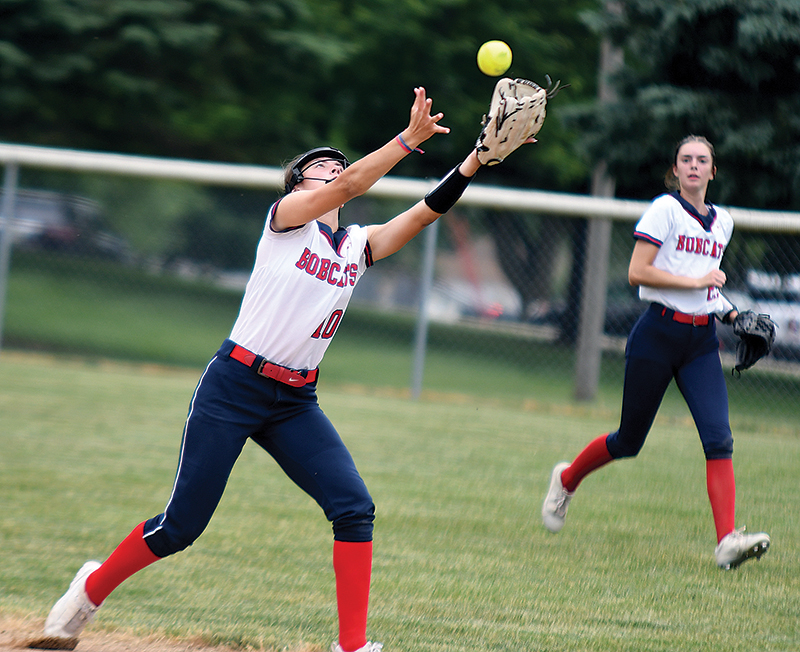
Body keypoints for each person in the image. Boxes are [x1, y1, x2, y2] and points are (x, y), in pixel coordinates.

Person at [40, 87, 529, 652]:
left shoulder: (355, 246)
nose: (335, 174)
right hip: (234, 387)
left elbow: (422, 215)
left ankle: (351, 646)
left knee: (354, 509)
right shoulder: (285, 223)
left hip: (296, 402)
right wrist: (407, 140)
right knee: (181, 528)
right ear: (299, 184)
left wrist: (474, 159)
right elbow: (350, 187)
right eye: (321, 169)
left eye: (338, 168)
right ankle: (89, 590)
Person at [541, 135, 771, 570]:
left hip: (701, 342)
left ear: (712, 171)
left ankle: (727, 541)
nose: (694, 166)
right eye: (686, 159)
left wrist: (733, 314)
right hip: (657, 336)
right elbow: (637, 272)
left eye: (702, 160)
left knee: (719, 439)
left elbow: (708, 289)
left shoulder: (723, 221)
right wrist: (700, 282)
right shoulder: (665, 209)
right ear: (676, 169)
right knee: (628, 441)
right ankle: (567, 479)